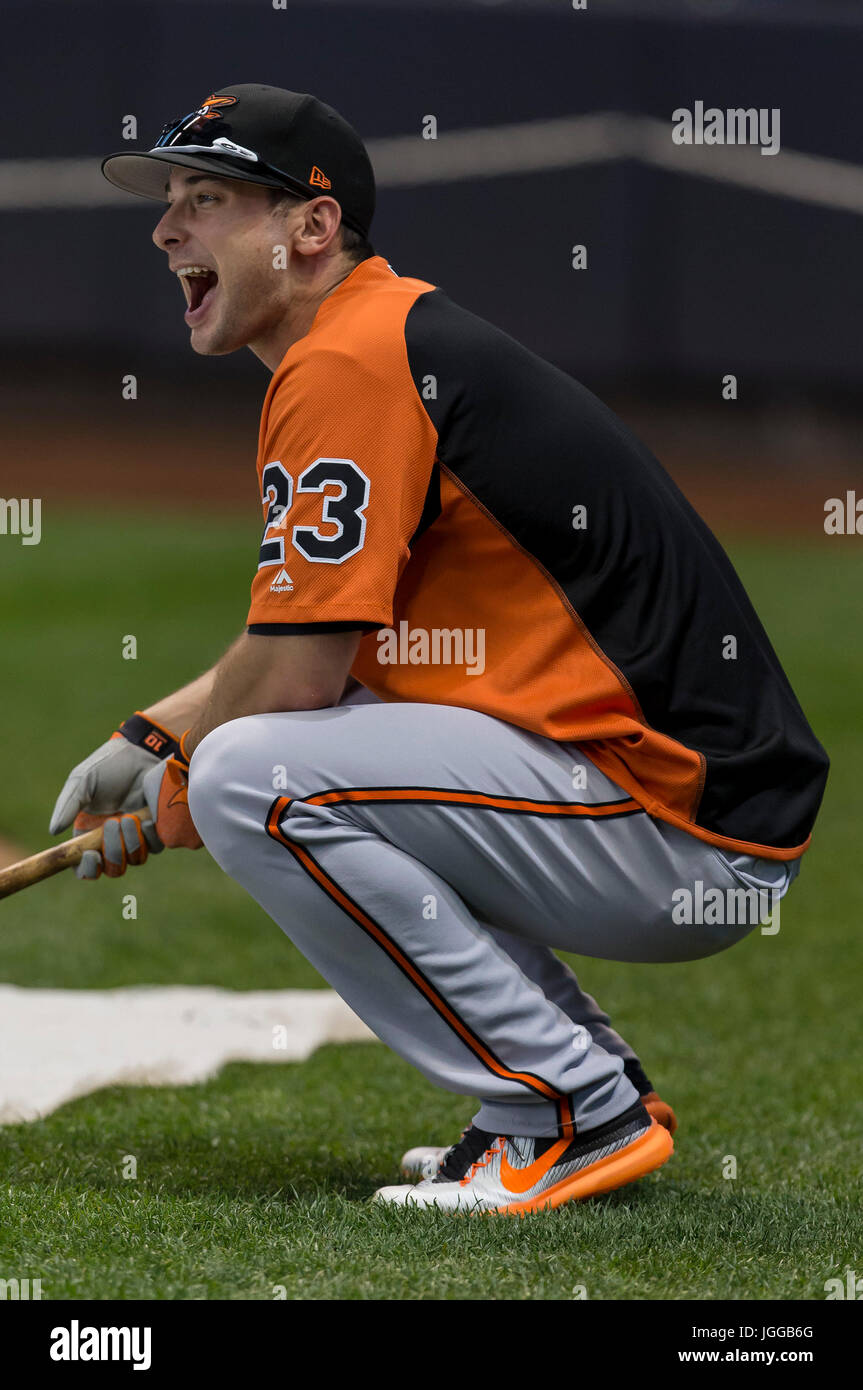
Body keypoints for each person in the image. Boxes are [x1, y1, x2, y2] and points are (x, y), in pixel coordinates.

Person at [51, 84, 828, 1214]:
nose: (168, 229)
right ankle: (573, 1084)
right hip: (676, 804)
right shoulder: (380, 335)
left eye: (207, 199)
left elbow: (298, 679)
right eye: (170, 201)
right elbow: (312, 643)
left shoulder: (349, 361)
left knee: (250, 778)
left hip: (679, 824)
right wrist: (152, 730)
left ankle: (568, 1111)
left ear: (310, 228)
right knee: (265, 759)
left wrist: (174, 798)